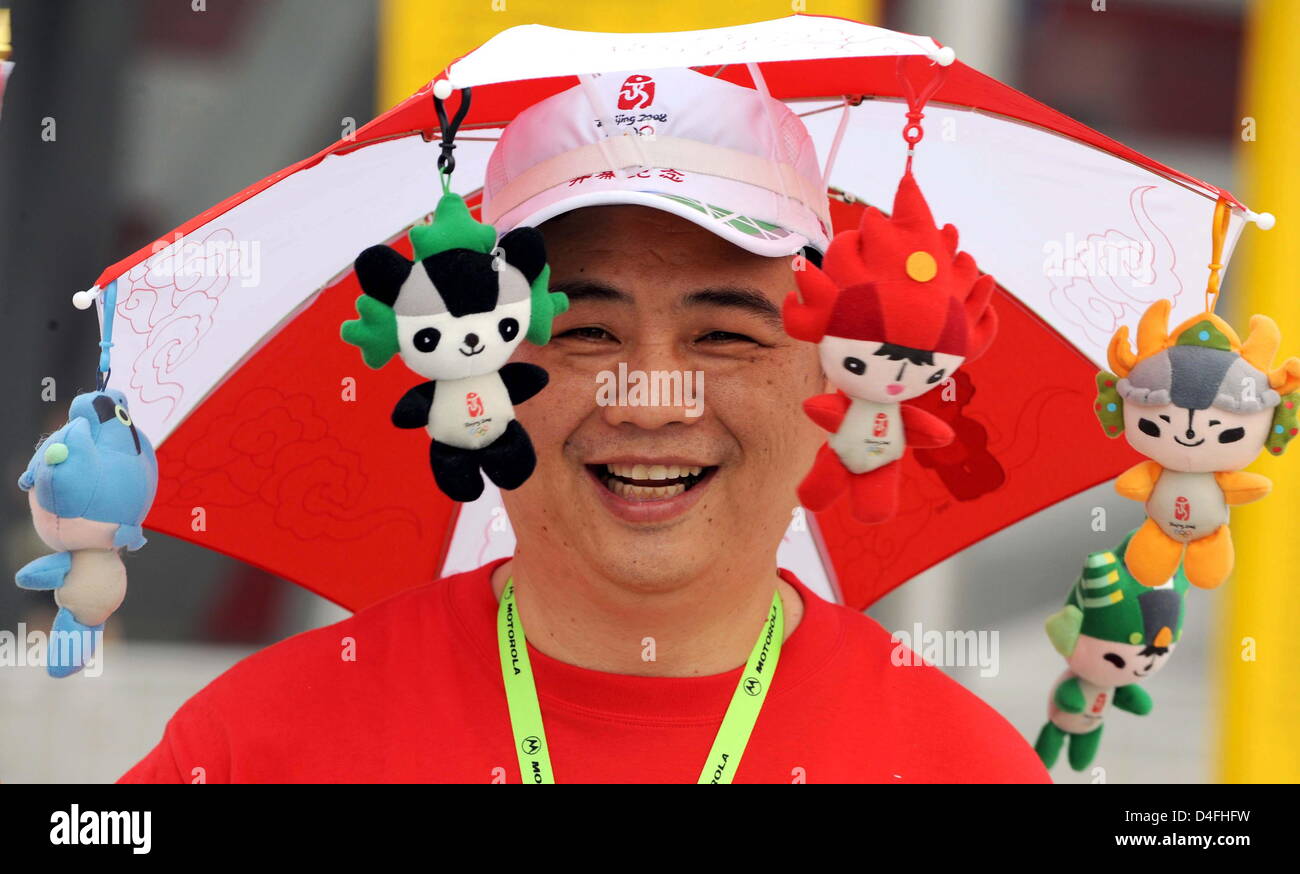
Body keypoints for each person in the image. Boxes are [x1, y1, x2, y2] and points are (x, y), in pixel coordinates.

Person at [119, 68, 1049, 784]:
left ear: (832, 374)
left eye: (724, 333)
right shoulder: (258, 746)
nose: (650, 399)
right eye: (585, 330)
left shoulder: (960, 763)